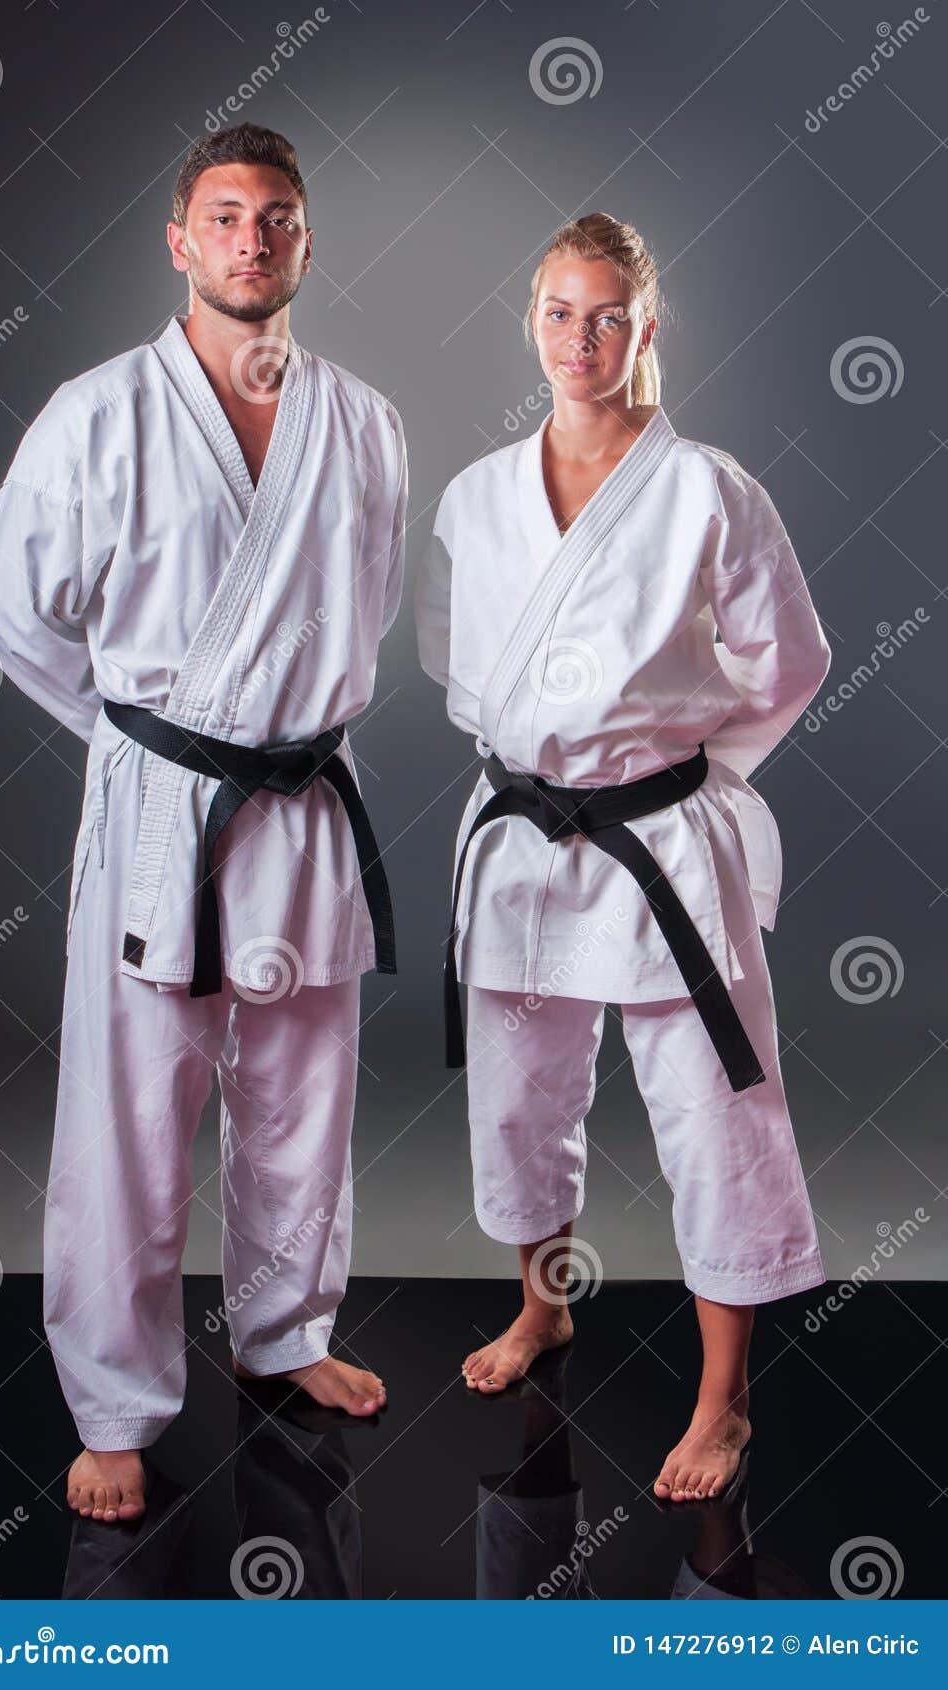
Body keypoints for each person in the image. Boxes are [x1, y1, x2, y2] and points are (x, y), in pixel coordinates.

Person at [0, 122, 406, 1525]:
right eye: (226, 215)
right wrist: (127, 735)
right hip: (164, 802)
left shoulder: (365, 422)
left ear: (305, 242)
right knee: (134, 1113)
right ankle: (113, 1400)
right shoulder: (96, 414)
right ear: (181, 239)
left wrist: (275, 723)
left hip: (303, 798)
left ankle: (283, 1336)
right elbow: (3, 608)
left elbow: (371, 607)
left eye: (278, 216)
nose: (253, 238)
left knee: (303, 1097)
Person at [415, 211, 830, 1503]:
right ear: (529, 320)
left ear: (649, 328)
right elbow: (452, 665)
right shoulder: (479, 496)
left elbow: (792, 665)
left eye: (608, 315)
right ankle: (544, 1309)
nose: (580, 339)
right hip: (526, 838)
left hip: (659, 842)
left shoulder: (712, 490)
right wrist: (557, 769)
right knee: (521, 1097)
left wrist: (675, 774)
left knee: (717, 1116)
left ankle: (725, 1399)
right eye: (557, 311)